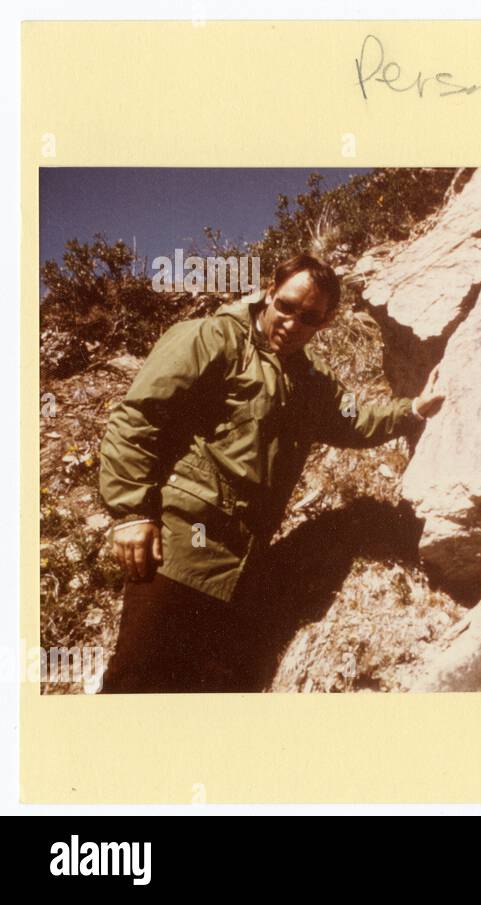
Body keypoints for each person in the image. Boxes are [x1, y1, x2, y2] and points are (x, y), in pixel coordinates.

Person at [96, 253, 444, 693]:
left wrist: (414, 408)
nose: (292, 323)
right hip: (178, 549)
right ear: (268, 292)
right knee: (135, 684)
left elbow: (354, 419)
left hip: (241, 565)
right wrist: (132, 512)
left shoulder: (311, 380)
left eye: (309, 317)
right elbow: (138, 418)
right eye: (286, 305)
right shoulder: (212, 338)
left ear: (325, 321)